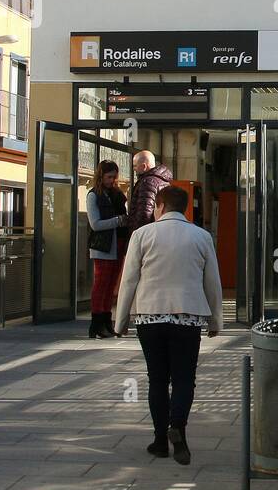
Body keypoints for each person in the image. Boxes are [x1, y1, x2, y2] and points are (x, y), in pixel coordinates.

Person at [115, 184, 222, 465]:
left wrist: (122, 319)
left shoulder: (141, 235)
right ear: (185, 208)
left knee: (158, 379)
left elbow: (129, 280)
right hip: (187, 318)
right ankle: (179, 430)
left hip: (150, 317)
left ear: (159, 206)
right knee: (185, 378)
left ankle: (160, 441)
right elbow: (212, 281)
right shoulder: (201, 236)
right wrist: (215, 319)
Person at [86, 160, 128, 339]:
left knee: (111, 285)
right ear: (101, 176)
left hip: (117, 243)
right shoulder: (93, 195)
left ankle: (106, 321)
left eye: (114, 177)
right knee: (101, 284)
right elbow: (95, 224)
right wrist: (118, 221)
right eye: (109, 177)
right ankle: (96, 323)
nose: (112, 180)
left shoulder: (117, 194)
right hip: (103, 245)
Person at [125, 150, 173, 232]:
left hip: (146, 234)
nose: (134, 169)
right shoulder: (164, 181)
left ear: (144, 166)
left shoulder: (148, 182)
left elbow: (144, 214)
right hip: (160, 230)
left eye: (135, 166)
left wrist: (136, 235)